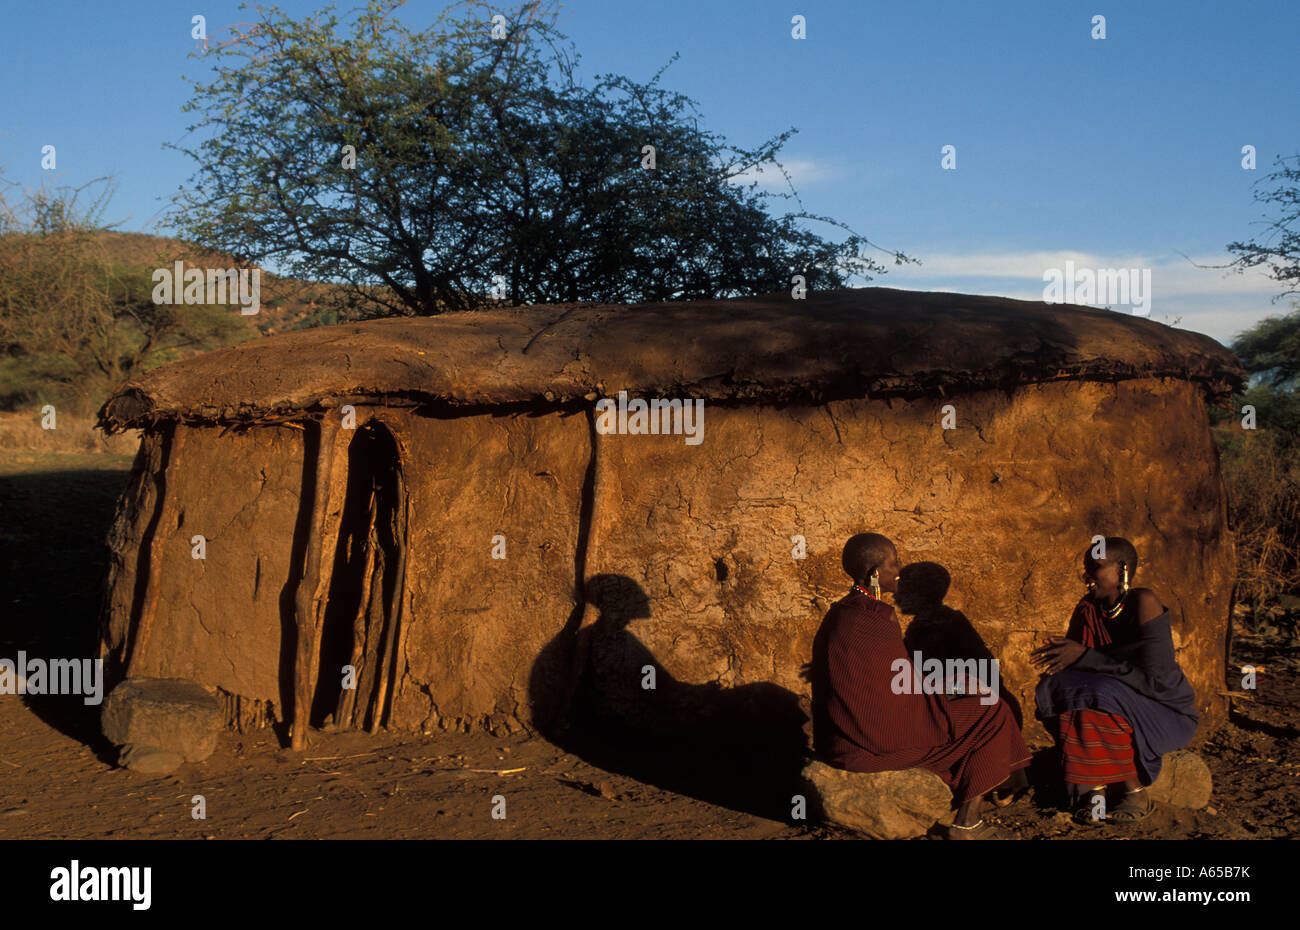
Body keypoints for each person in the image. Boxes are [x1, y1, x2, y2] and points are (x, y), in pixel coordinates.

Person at [810, 533, 1032, 839]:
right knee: (991, 710)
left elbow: (891, 682)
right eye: (894, 562)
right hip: (870, 747)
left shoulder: (842, 612)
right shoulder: (877, 617)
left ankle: (1000, 783)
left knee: (976, 702)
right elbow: (902, 698)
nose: (899, 570)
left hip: (841, 741)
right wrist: (951, 689)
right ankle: (968, 822)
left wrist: (950, 685)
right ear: (876, 573)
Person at [1032, 537, 1198, 824]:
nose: (1087, 576)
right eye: (1085, 568)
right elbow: (1075, 671)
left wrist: (1086, 657)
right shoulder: (1087, 609)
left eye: (1095, 567)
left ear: (1122, 569)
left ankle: (1133, 789)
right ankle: (1094, 792)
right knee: (1059, 688)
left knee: (1098, 691)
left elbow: (1154, 680)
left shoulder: (1144, 602)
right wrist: (1062, 660)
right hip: (1108, 701)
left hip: (1164, 709)